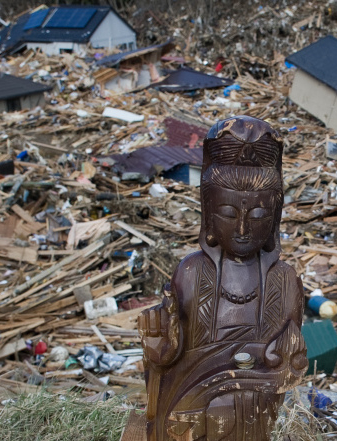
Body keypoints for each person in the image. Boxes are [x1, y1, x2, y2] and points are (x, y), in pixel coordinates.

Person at [139, 116, 307, 441]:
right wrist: (162, 349)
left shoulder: (284, 280)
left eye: (258, 216)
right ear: (208, 214)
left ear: (274, 219)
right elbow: (169, 358)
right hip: (190, 417)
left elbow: (289, 364)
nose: (243, 229)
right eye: (229, 214)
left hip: (250, 418)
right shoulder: (191, 273)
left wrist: (285, 354)